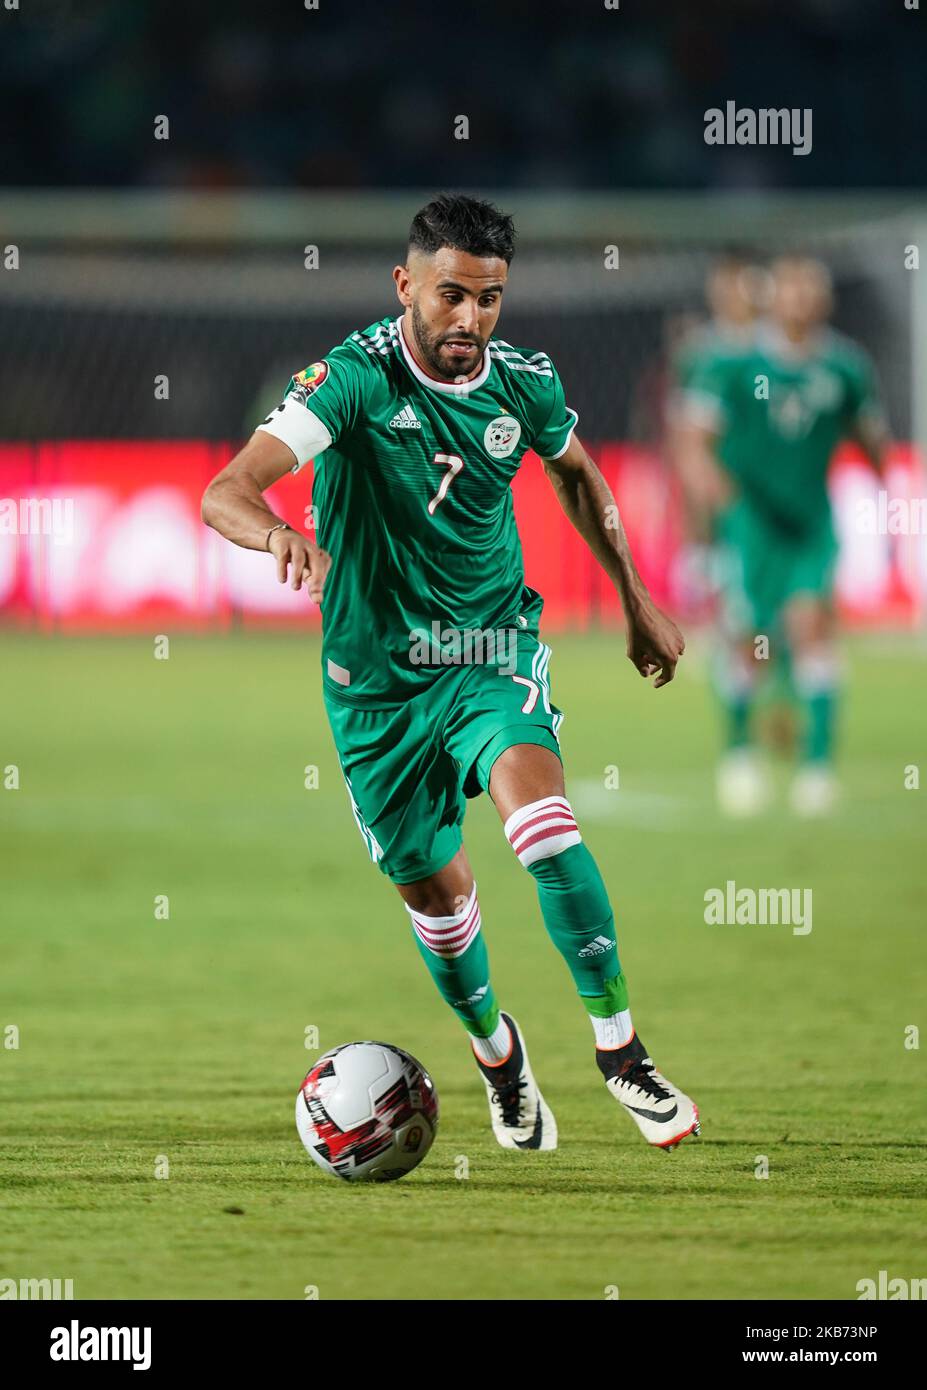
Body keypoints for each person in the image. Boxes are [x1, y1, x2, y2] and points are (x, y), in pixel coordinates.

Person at [202, 193, 699, 1152]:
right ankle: (498, 1057)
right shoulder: (350, 380)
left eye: (489, 298)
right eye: (451, 295)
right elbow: (227, 491)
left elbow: (575, 471)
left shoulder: (523, 383)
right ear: (406, 286)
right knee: (438, 902)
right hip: (376, 685)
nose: (470, 318)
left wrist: (635, 598)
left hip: (486, 649)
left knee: (544, 828)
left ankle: (621, 1051)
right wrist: (276, 535)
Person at [676, 256, 889, 816]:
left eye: (809, 288)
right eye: (791, 288)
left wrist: (886, 481)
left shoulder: (844, 366)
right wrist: (717, 498)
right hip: (752, 523)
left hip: (812, 523)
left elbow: (869, 434)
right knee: (752, 642)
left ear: (825, 299)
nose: (800, 298)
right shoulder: (734, 364)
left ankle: (817, 769)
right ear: (772, 297)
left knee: (811, 626)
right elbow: (695, 442)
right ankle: (739, 754)